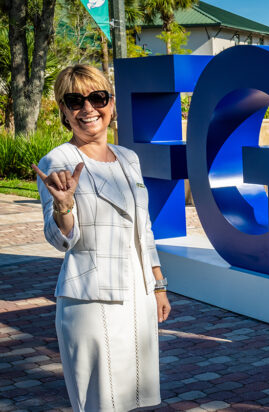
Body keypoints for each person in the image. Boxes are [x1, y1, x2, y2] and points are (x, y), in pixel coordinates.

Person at [32, 64, 171, 411]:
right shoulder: (58, 161)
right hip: (92, 301)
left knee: (134, 400)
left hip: (138, 298)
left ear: (111, 103)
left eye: (97, 97)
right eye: (75, 100)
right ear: (64, 111)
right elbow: (60, 238)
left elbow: (144, 228)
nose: (88, 109)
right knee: (100, 402)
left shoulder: (128, 158)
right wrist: (64, 208)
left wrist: (158, 285)